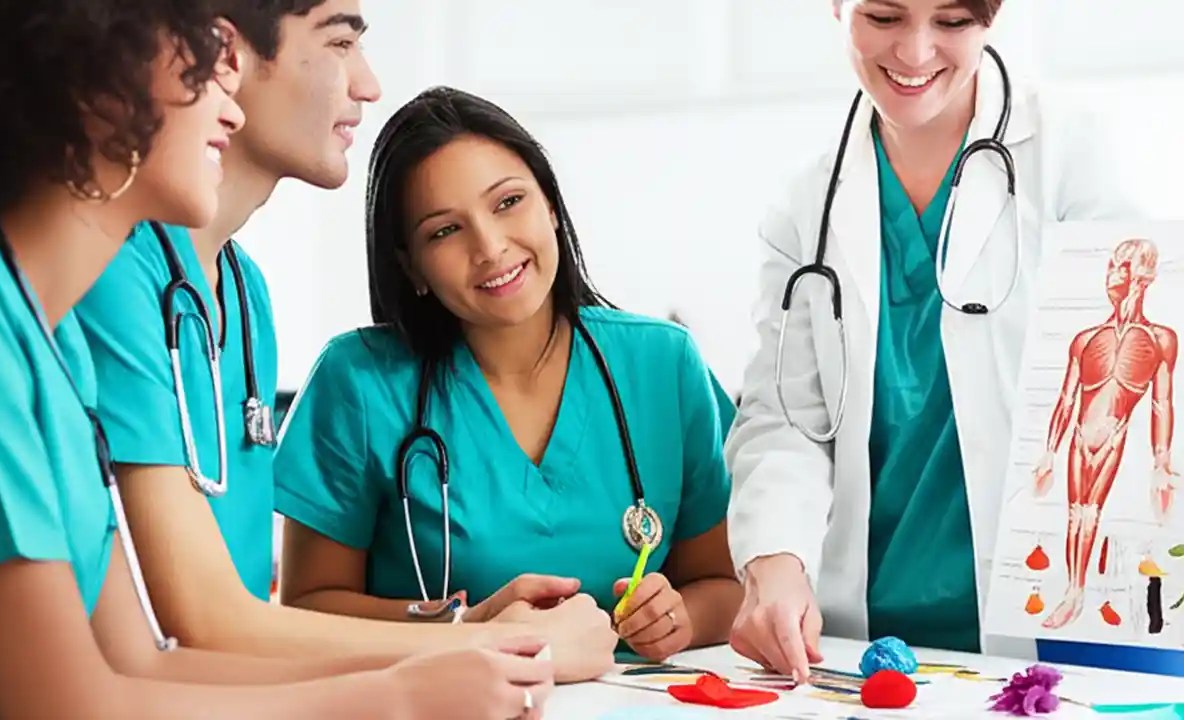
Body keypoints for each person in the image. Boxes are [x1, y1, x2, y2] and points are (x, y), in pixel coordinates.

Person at [0, 3, 553, 719]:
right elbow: (65, 703)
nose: (230, 104)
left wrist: (453, 659)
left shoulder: (50, 338)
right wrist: (396, 696)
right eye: (198, 58)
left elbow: (143, 665)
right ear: (92, 78)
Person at [70, 0, 614, 677]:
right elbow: (197, 624)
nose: (368, 84)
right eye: (339, 43)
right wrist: (503, 647)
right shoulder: (110, 272)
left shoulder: (244, 294)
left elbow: (249, 622)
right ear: (228, 56)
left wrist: (467, 624)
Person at [724, 0, 1184, 681]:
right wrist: (776, 561)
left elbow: (1142, 351)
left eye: (951, 22)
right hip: (865, 634)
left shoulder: (1067, 156)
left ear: (990, 18)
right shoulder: (806, 205)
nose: (915, 53)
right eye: (883, 17)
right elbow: (784, 421)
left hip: (1043, 623)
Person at [273, 86, 743, 665]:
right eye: (445, 231)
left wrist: (679, 620)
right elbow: (306, 608)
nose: (491, 247)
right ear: (410, 265)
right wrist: (466, 626)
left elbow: (722, 585)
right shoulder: (358, 382)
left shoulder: (664, 365)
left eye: (508, 202)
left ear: (550, 203)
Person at [1032, 238, 1177, 629]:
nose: (1113, 276)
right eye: (1111, 267)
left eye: (1124, 268)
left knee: (1090, 513)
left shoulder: (1161, 339)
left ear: (1144, 277)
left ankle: (1078, 594)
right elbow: (1066, 399)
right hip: (1079, 437)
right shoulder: (1084, 339)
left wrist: (1161, 461)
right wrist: (1049, 451)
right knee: (1075, 515)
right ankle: (1073, 590)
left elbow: (1162, 402)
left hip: (1114, 436)